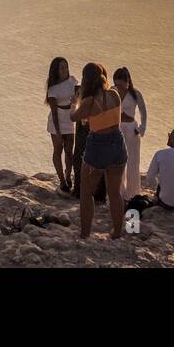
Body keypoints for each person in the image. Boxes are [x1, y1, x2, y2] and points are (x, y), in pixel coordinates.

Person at [70, 61, 127, 238]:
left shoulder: (89, 101)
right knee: (115, 192)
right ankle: (117, 232)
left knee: (86, 194)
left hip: (98, 145)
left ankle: (85, 234)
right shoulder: (114, 94)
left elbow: (74, 117)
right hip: (117, 143)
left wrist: (74, 102)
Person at [113, 66, 148, 200]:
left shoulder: (135, 93)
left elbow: (143, 112)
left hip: (131, 129)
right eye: (117, 84)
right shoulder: (112, 91)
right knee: (117, 161)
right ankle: (119, 192)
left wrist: (140, 128)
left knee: (133, 161)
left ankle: (132, 193)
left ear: (128, 81)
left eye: (122, 84)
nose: (120, 87)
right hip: (116, 129)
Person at [45, 57, 77, 192]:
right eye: (62, 68)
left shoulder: (73, 80)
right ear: (56, 71)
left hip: (69, 118)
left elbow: (78, 97)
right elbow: (54, 112)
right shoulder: (53, 89)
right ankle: (62, 181)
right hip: (56, 121)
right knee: (58, 150)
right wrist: (58, 132)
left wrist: (76, 100)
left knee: (69, 151)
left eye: (66, 67)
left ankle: (68, 175)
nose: (65, 70)